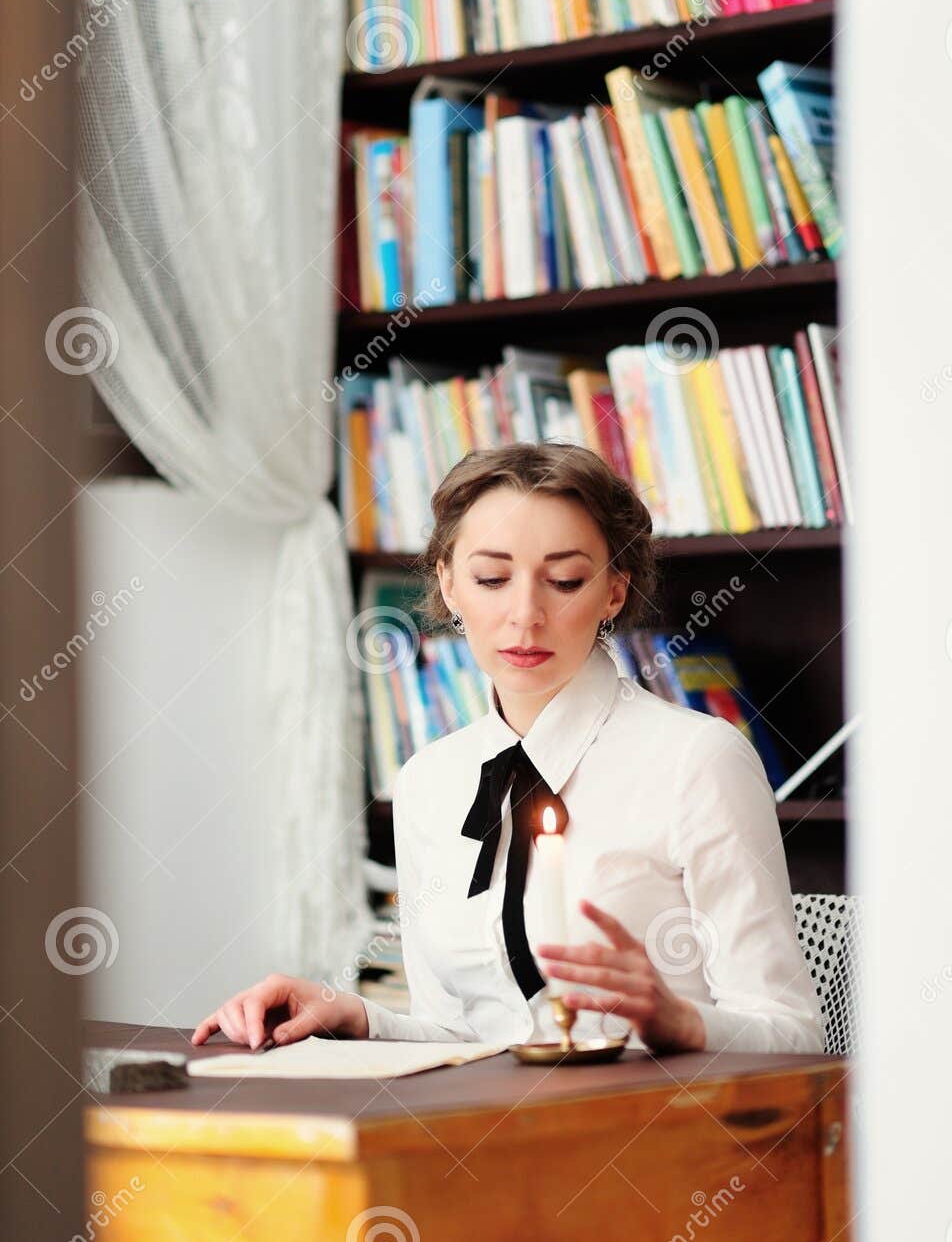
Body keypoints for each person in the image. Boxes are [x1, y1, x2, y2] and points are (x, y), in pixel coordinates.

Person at [192, 442, 824, 1057]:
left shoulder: (698, 761)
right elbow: (466, 1042)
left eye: (565, 580)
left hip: (656, 1119)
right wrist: (357, 1018)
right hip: (486, 1124)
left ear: (614, 591)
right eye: (491, 578)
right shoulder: (428, 781)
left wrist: (681, 1024)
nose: (525, 614)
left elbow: (794, 1036)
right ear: (449, 586)